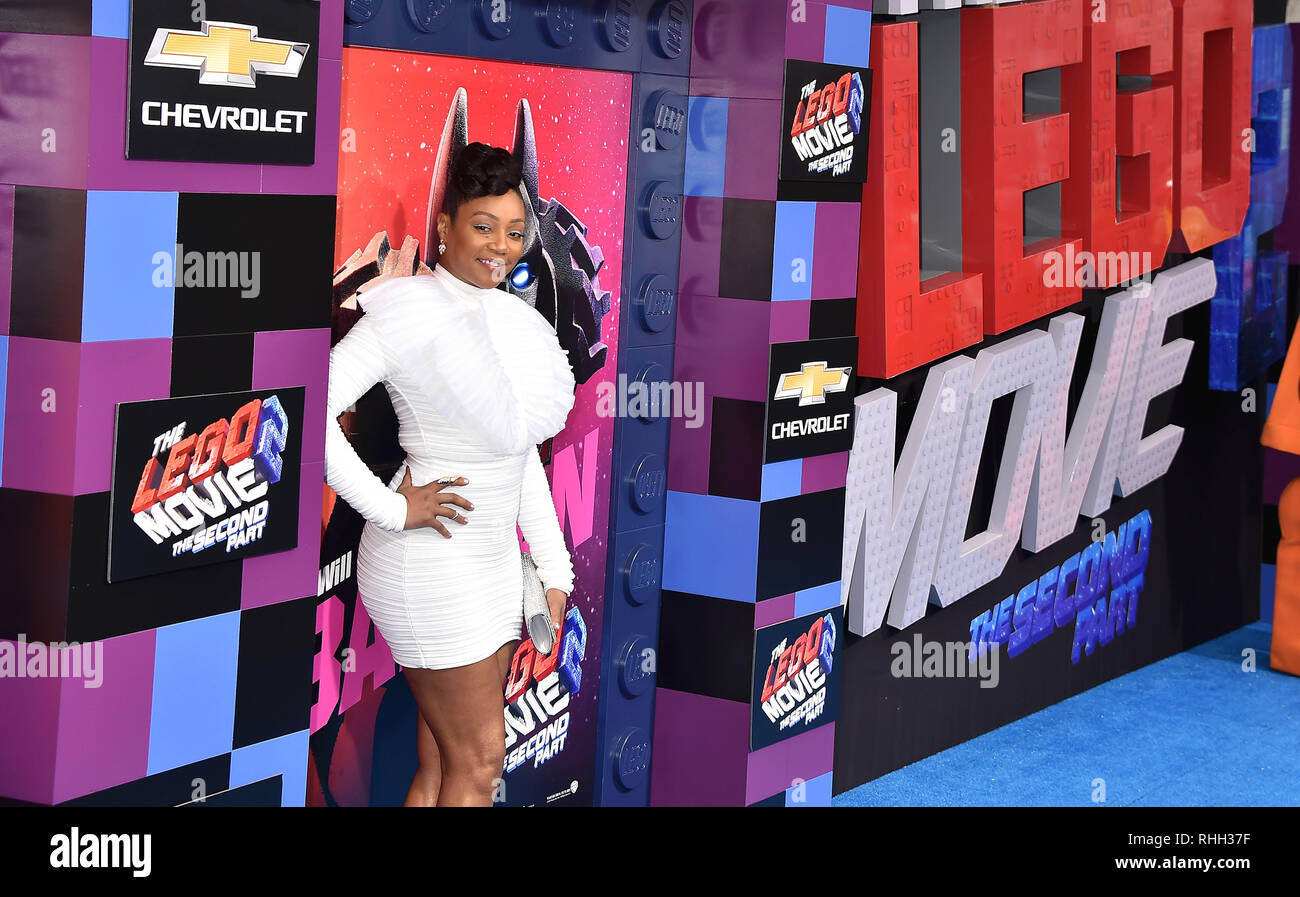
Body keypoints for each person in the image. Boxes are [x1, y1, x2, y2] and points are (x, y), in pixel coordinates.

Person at [325, 143, 577, 806]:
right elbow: (313, 412)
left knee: (444, 760)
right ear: (446, 227)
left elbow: (518, 454)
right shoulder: (404, 312)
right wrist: (392, 509)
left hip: (495, 566)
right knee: (482, 758)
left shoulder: (515, 322)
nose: (501, 246)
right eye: (483, 226)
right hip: (430, 567)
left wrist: (553, 569)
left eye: (515, 232)